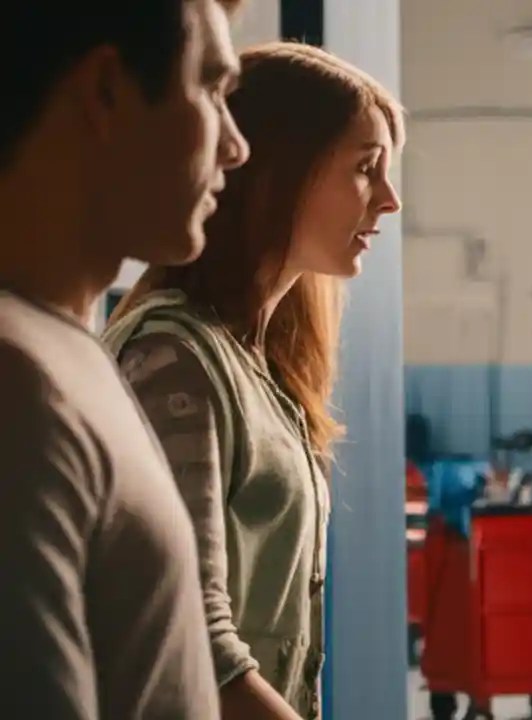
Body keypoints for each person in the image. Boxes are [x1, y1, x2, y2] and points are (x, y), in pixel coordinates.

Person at [101, 41, 403, 719]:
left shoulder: (258, 366)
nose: (390, 200)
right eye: (365, 169)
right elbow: (190, 641)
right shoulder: (173, 359)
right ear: (275, 169)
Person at [0, 1, 249, 717]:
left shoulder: (64, 353)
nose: (236, 146)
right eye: (211, 89)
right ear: (107, 92)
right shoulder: (16, 392)